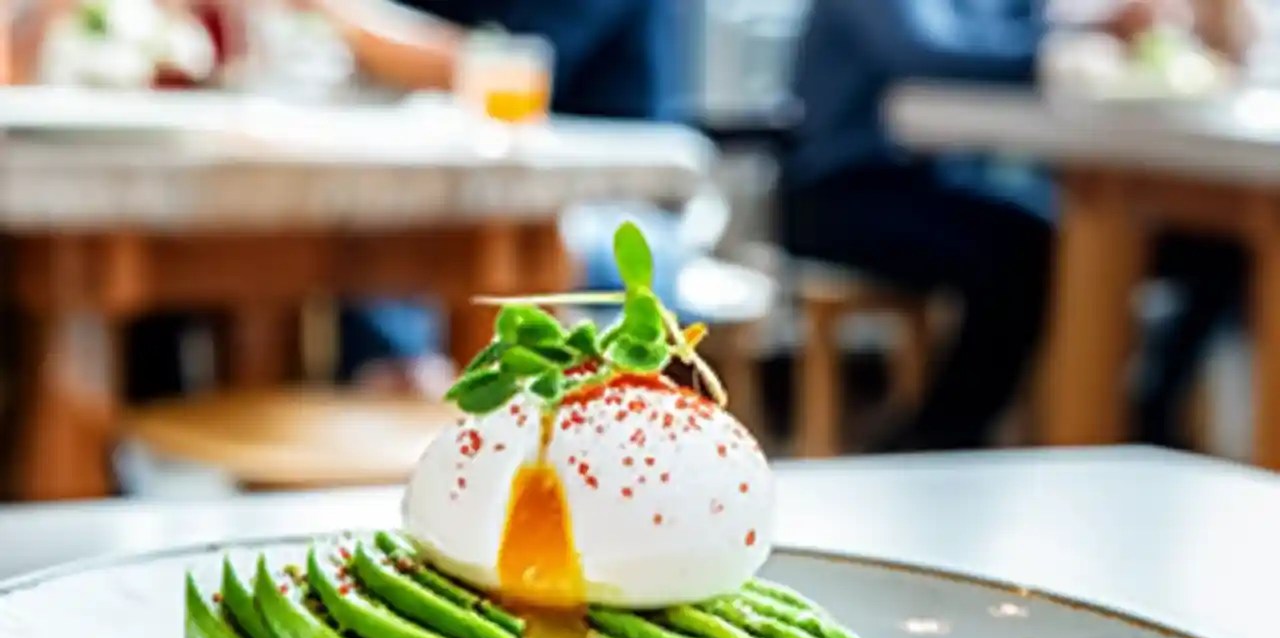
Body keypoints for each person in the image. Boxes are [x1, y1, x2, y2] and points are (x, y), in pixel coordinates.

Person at [784, 0, 1253, 450]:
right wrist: (1075, 42)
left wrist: (1092, 30)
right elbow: (928, 51)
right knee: (1019, 254)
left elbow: (1028, 22)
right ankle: (941, 436)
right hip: (843, 189)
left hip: (944, 176)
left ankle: (1146, 414)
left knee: (1214, 248)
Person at [307, 0, 683, 390]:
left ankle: (432, 395)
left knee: (501, 257)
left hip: (620, 210)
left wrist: (346, 17)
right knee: (372, 248)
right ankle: (408, 399)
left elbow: (507, 65)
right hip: (468, 204)